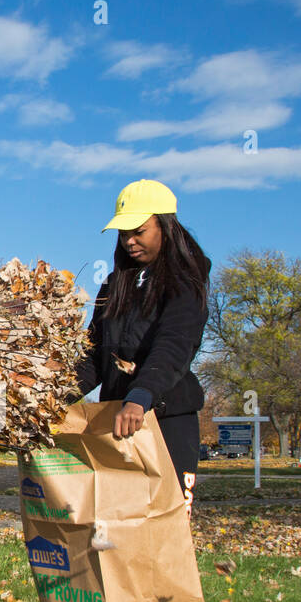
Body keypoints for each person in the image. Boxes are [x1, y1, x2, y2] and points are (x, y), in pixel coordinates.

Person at [75, 179, 210, 514]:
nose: (130, 242)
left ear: (166, 226)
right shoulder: (115, 283)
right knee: (118, 527)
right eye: (123, 234)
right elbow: (95, 354)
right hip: (115, 421)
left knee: (168, 524)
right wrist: (52, 397)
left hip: (166, 420)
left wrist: (141, 396)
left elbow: (175, 344)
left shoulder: (186, 280)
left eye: (138, 231)